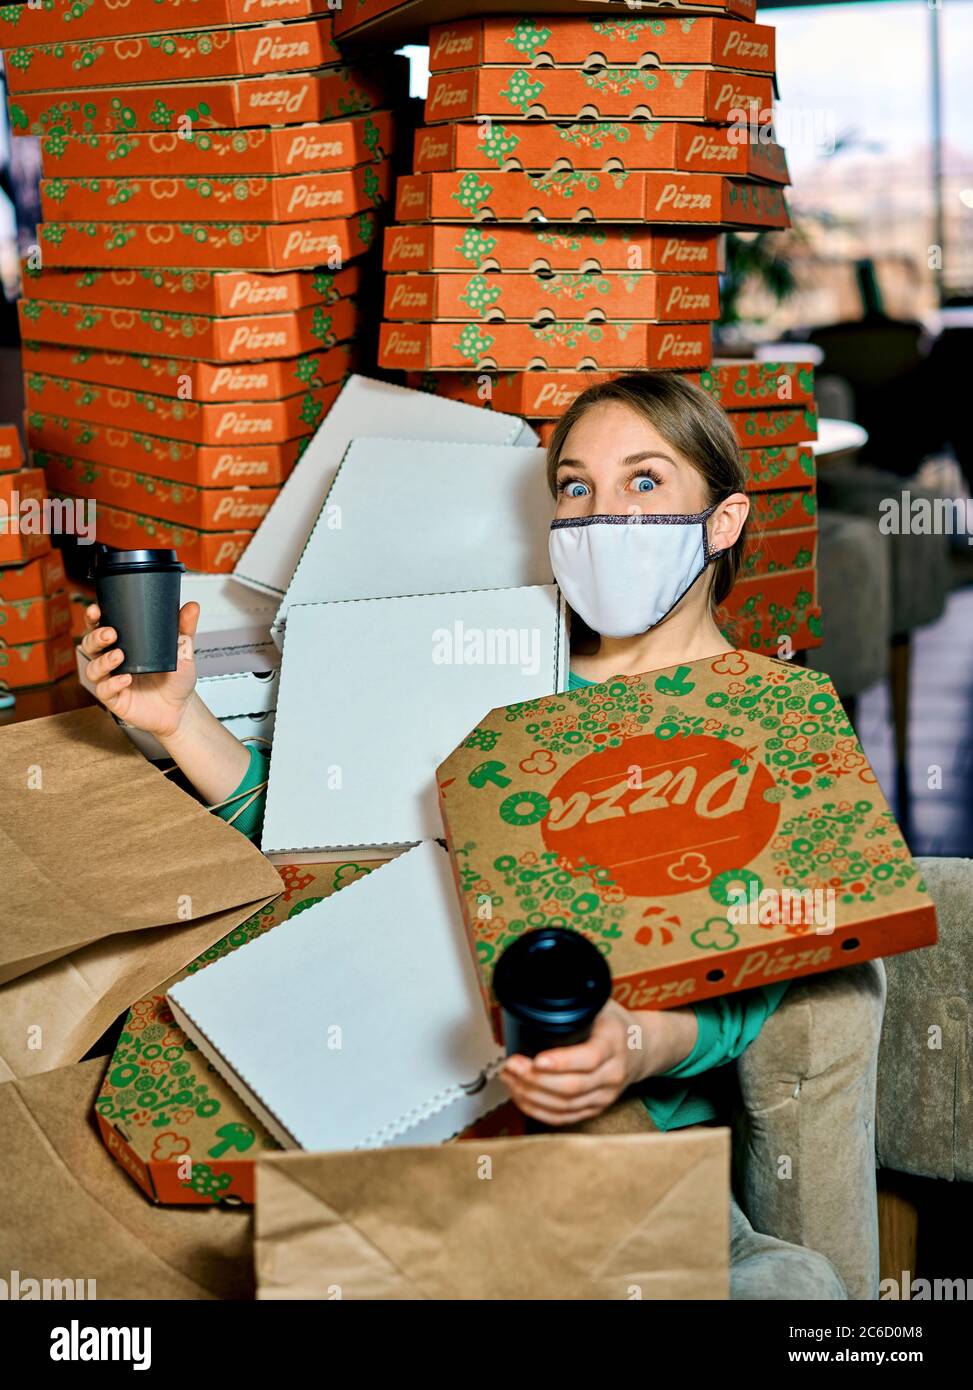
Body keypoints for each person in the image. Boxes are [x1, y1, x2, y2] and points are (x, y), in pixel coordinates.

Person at [79, 372, 788, 1137]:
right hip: (378, 1055)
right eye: (575, 488)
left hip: (587, 1108)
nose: (603, 513)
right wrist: (176, 719)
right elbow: (316, 839)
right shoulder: (491, 667)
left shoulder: (769, 720)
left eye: (644, 479)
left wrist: (630, 1046)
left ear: (723, 521)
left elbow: (747, 990)